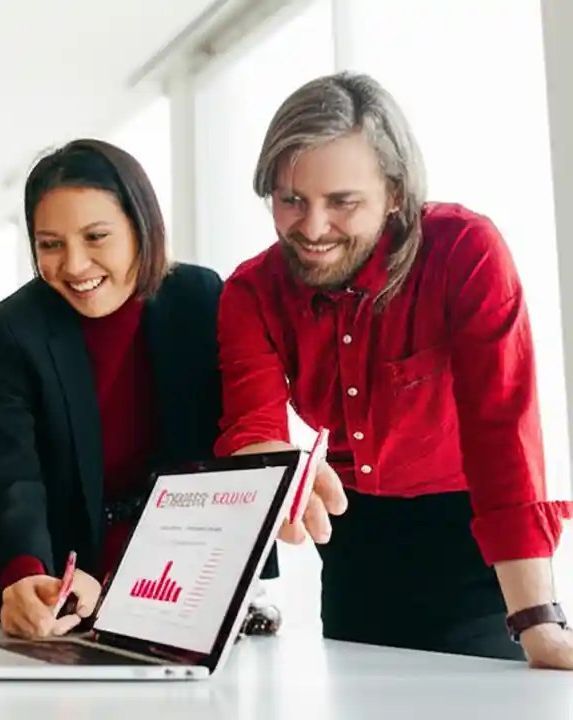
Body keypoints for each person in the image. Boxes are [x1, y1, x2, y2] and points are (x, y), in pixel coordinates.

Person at [216, 71, 573, 667]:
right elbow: (252, 426)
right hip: (355, 541)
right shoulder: (251, 292)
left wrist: (539, 621)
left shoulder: (465, 252)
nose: (311, 227)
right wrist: (270, 473)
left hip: (471, 538)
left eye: (343, 203)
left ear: (396, 193)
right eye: (291, 200)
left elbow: (503, 435)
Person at [0, 139, 279, 639]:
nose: (74, 266)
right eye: (50, 244)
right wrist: (23, 571)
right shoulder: (6, 333)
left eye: (96, 237)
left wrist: (246, 578)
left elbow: (234, 439)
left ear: (141, 228)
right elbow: (6, 465)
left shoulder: (201, 300)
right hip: (49, 594)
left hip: (173, 590)